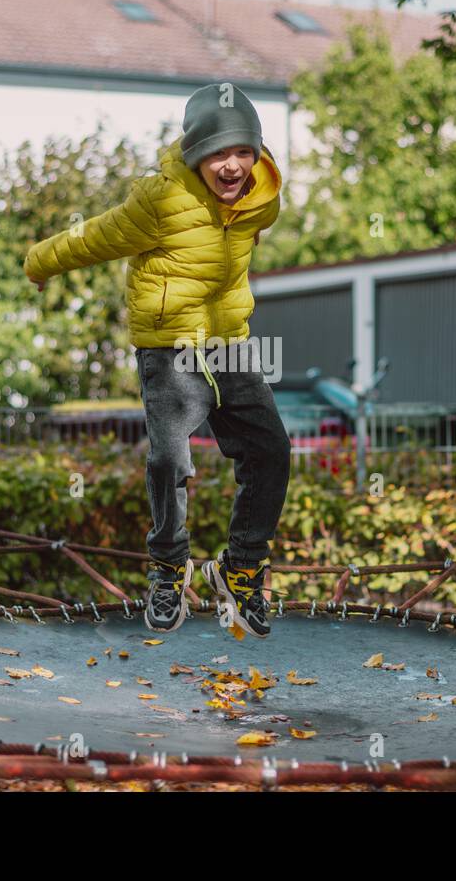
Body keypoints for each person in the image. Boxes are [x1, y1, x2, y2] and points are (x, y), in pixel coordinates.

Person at [24, 83, 291, 640]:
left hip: (230, 346)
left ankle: (240, 568)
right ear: (195, 154)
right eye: (219, 153)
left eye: (243, 151)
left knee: (271, 449)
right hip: (169, 347)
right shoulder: (160, 200)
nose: (233, 166)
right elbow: (100, 234)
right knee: (172, 462)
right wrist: (41, 260)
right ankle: (169, 568)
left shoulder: (263, 199)